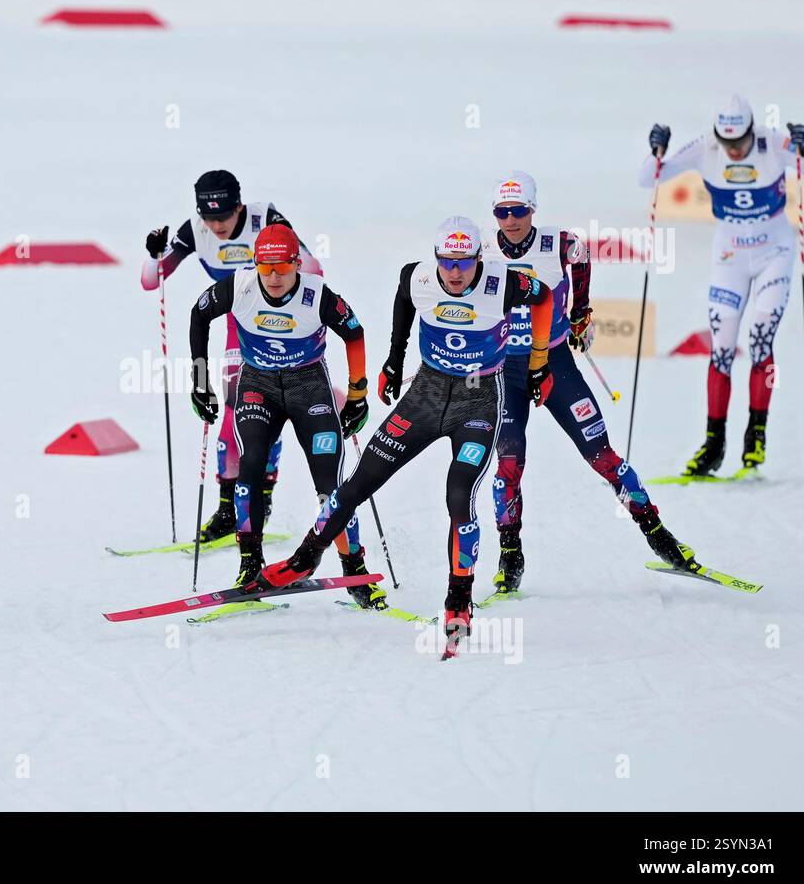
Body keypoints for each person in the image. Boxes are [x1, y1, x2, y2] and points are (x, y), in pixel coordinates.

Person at [253, 216, 553, 646]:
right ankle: (305, 559)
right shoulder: (418, 276)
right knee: (360, 480)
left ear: (478, 258)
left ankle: (458, 596)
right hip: (427, 394)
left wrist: (539, 361)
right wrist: (394, 360)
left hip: (479, 398)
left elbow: (543, 300)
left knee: (458, 494)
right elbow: (403, 302)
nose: (454, 271)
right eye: (446, 261)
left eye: (463, 262)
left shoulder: (504, 283)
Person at [486, 172, 694, 592]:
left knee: (600, 453)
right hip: (507, 369)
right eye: (502, 212)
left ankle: (657, 532)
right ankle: (511, 553)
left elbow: (581, 263)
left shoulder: (560, 243)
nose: (511, 220)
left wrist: (580, 313)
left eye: (519, 211)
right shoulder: (483, 251)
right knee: (509, 462)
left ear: (533, 209)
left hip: (556, 361)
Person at [188, 223, 373, 602]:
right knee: (251, 465)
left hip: (310, 388)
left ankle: (354, 568)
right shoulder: (239, 286)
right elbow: (199, 315)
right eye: (265, 267)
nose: (273, 277)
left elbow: (354, 334)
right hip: (259, 386)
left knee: (329, 485)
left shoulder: (317, 294)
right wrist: (200, 381)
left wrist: (358, 395)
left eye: (282, 268)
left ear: (297, 264)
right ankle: (250, 564)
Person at [644, 95, 804, 476]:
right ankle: (713, 444)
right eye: (728, 144)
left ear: (751, 128)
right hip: (729, 258)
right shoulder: (705, 148)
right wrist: (655, 151)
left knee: (760, 337)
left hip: (774, 251)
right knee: (722, 348)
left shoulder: (772, 141)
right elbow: (648, 178)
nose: (736, 149)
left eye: (740, 141)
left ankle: (756, 436)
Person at [144, 170, 323, 542]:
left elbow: (313, 269)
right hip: (234, 326)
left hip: (279, 325)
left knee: (269, 409)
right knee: (233, 411)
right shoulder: (196, 231)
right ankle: (228, 508)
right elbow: (152, 280)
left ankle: (264, 496)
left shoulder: (266, 220)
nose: (217, 225)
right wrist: (153, 255)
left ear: (239, 207)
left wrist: (269, 273)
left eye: (223, 217)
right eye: (209, 218)